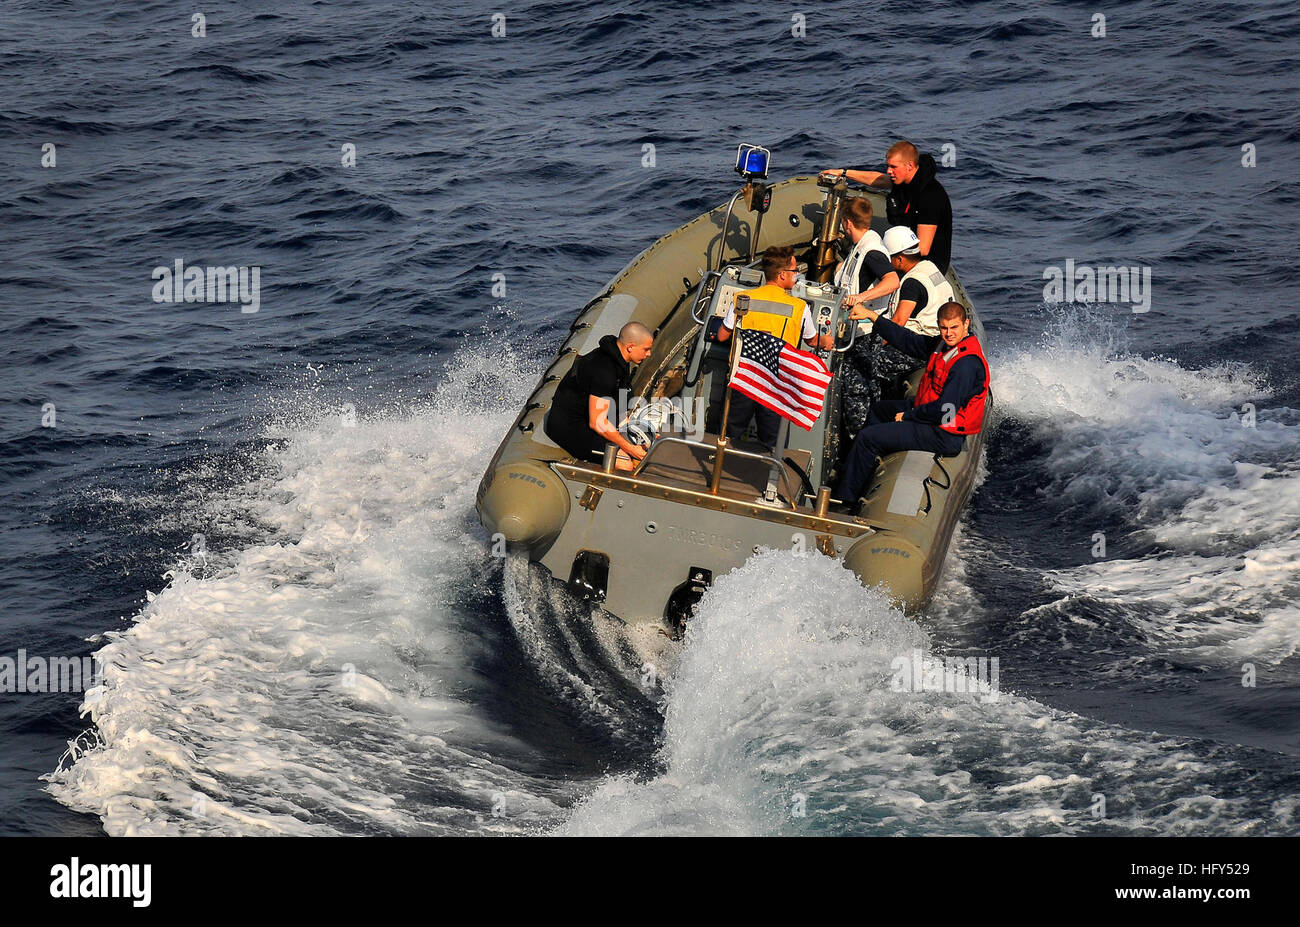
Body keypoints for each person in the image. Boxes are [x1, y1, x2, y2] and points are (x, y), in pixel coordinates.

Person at [835, 300, 989, 512]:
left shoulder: (966, 364)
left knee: (867, 438)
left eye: (954, 327)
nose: (949, 333)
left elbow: (945, 411)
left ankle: (845, 501)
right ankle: (859, 470)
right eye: (944, 328)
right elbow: (909, 341)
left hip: (944, 433)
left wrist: (909, 416)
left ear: (966, 324)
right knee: (879, 411)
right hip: (933, 416)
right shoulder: (943, 345)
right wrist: (873, 317)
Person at [715, 246, 834, 450]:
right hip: (775, 386)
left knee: (730, 432)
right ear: (782, 275)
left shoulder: (742, 298)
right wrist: (826, 341)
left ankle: (720, 468)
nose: (798, 276)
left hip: (743, 379)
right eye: (795, 272)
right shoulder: (799, 307)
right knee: (772, 442)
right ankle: (768, 477)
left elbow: (722, 335)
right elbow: (813, 341)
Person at [822, 140, 953, 273]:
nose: (889, 171)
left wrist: (880, 257)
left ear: (910, 165)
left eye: (893, 167)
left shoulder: (930, 197)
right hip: (902, 248)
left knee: (850, 270)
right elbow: (879, 179)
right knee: (843, 267)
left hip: (925, 263)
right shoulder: (905, 180)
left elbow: (923, 248)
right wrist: (843, 172)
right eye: (888, 166)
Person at [545, 321, 654, 469]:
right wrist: (629, 448)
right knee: (625, 464)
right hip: (570, 426)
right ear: (630, 347)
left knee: (645, 443)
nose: (649, 354)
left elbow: (620, 414)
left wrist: (639, 435)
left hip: (591, 418)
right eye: (646, 349)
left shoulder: (621, 361)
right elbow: (598, 422)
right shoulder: (604, 370)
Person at [835, 198, 901, 439]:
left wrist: (860, 298)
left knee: (858, 390)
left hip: (863, 334)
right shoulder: (860, 246)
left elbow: (892, 281)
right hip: (855, 330)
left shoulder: (872, 251)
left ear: (847, 222)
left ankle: (859, 439)